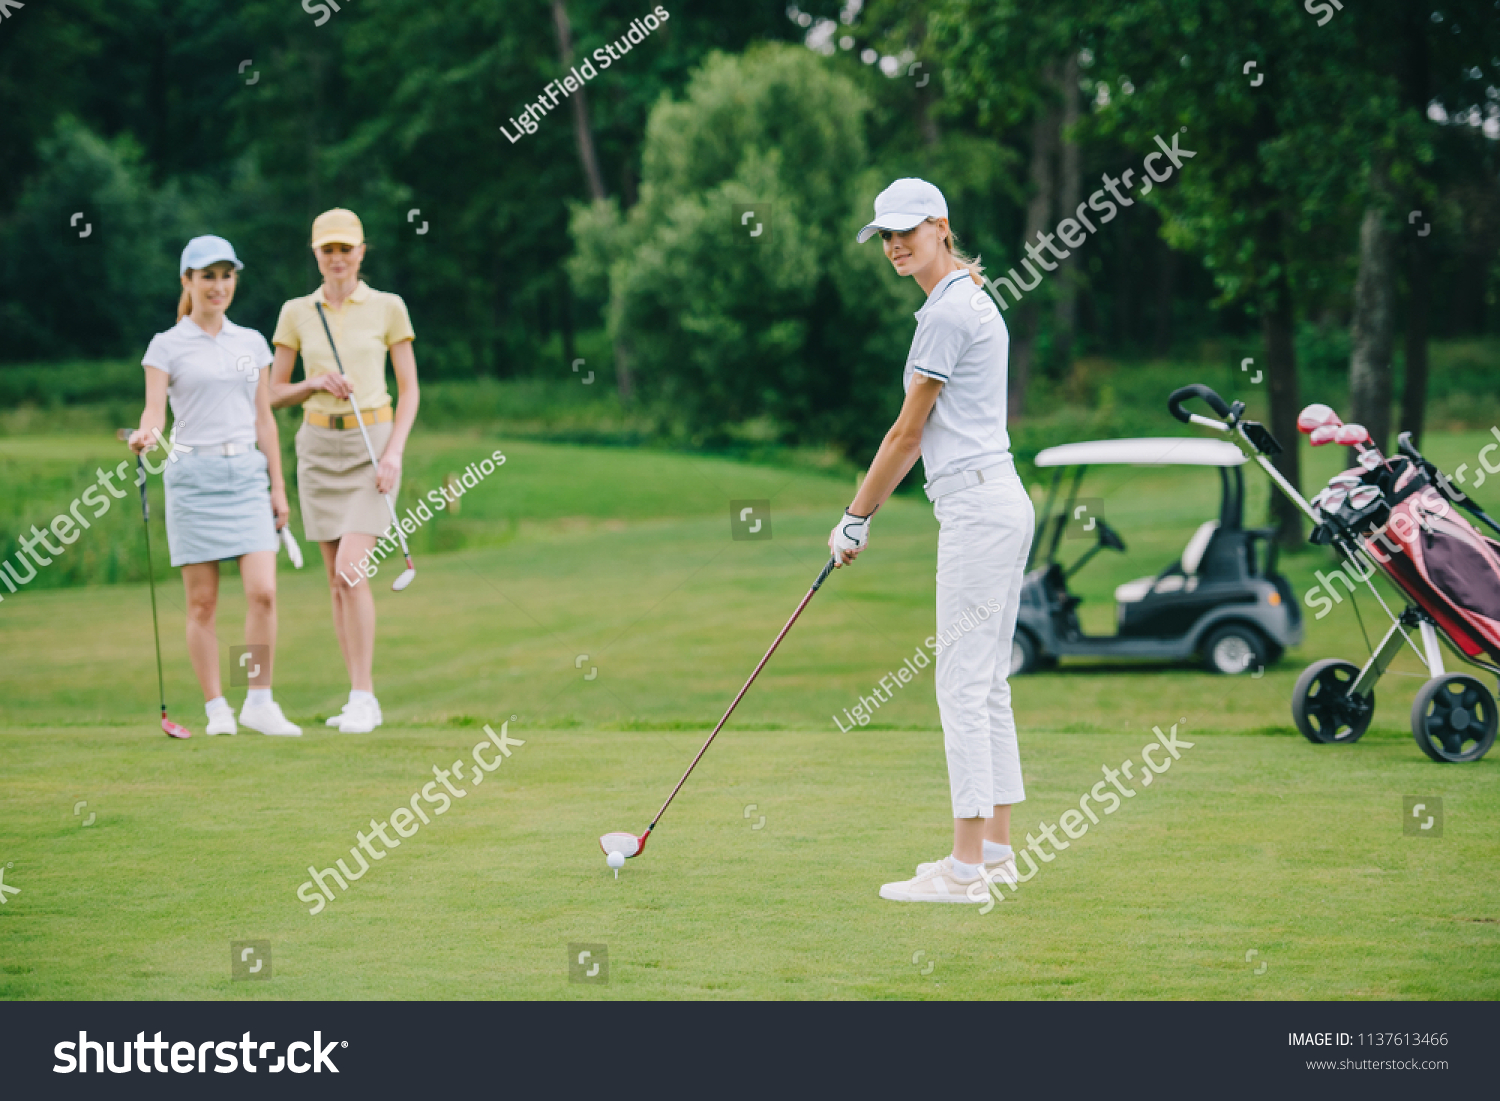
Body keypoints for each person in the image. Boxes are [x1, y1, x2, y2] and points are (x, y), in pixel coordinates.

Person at [829, 178, 1033, 903]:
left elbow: (905, 434)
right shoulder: (969, 298)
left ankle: (965, 869)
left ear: (941, 226)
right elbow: (915, 437)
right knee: (986, 682)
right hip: (997, 499)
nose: (894, 245)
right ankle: (996, 853)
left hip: (977, 508)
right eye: (885, 235)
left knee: (962, 684)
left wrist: (856, 516)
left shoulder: (946, 313)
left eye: (906, 231)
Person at [128, 235, 301, 737]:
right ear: (188, 281)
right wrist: (145, 434)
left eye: (226, 276)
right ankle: (217, 708)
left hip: (246, 474)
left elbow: (264, 420)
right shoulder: (166, 345)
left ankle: (258, 701)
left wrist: (277, 487)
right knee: (202, 603)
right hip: (193, 479)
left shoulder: (251, 342)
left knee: (263, 593)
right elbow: (155, 412)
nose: (218, 286)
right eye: (208, 277)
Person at [269, 209, 419, 733]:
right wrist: (313, 384)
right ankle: (358, 695)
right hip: (316, 448)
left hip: (372, 444)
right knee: (336, 582)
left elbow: (410, 390)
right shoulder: (296, 312)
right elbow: (273, 393)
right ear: (316, 254)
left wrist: (395, 452)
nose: (337, 258)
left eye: (346, 249)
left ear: (361, 252)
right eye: (328, 250)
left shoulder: (388, 307)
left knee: (351, 571)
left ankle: (364, 696)